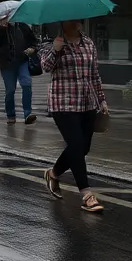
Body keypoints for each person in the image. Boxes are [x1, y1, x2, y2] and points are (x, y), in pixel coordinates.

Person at [41, 19, 107, 213]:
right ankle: (86, 194)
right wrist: (56, 49)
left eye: (79, 19)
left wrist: (101, 100)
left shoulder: (89, 43)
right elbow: (45, 67)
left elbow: (94, 74)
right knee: (76, 145)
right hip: (62, 103)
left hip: (86, 102)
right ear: (64, 22)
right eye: (73, 19)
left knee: (83, 148)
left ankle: (53, 173)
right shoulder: (52, 44)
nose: (78, 22)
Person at [0, 18, 39, 124]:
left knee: (26, 83)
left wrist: (32, 48)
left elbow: (33, 41)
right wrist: (1, 29)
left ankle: (27, 113)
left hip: (22, 61)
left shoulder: (22, 26)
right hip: (7, 64)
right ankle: (10, 114)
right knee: (10, 90)